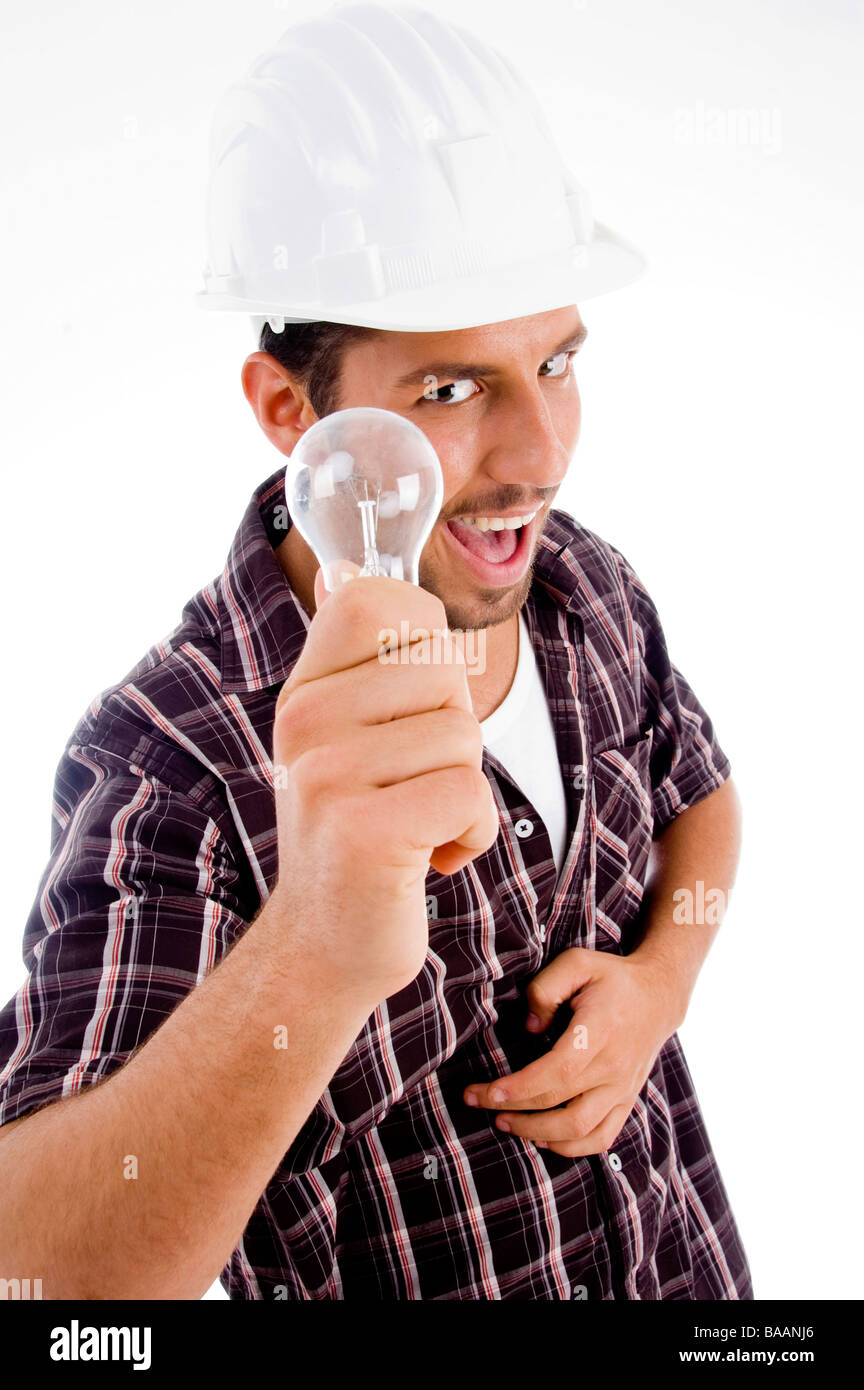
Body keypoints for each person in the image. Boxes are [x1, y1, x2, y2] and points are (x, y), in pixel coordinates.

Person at [0, 4, 752, 1300]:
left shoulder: (587, 589)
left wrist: (659, 982)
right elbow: (44, 1278)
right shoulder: (174, 766)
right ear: (291, 411)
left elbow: (703, 801)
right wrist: (319, 943)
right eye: (450, 391)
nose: (538, 459)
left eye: (558, 360)